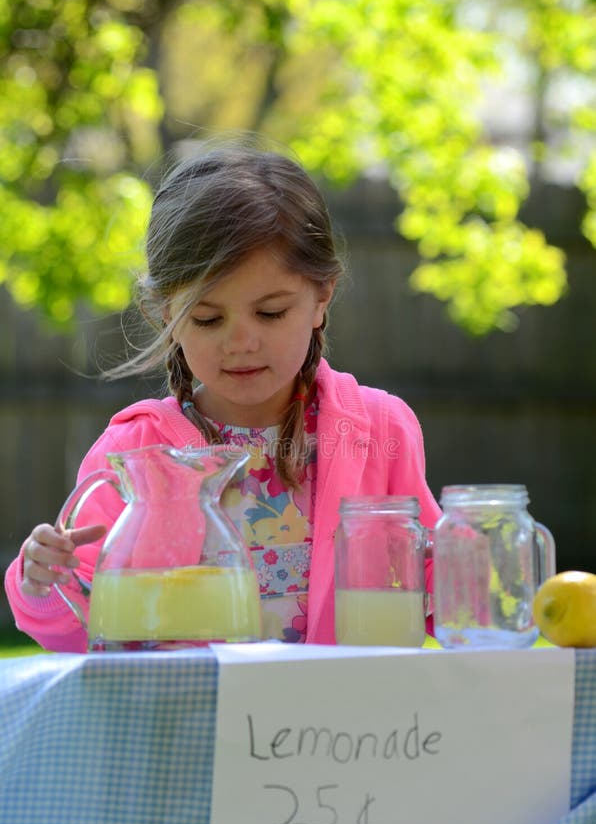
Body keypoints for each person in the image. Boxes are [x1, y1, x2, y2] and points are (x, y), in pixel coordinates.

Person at [4, 141, 441, 652]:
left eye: (270, 313)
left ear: (321, 297)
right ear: (167, 314)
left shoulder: (379, 429)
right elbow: (87, 623)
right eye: (208, 319)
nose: (241, 342)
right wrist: (44, 580)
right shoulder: (138, 452)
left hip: (343, 705)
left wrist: (477, 562)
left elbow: (434, 583)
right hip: (192, 704)